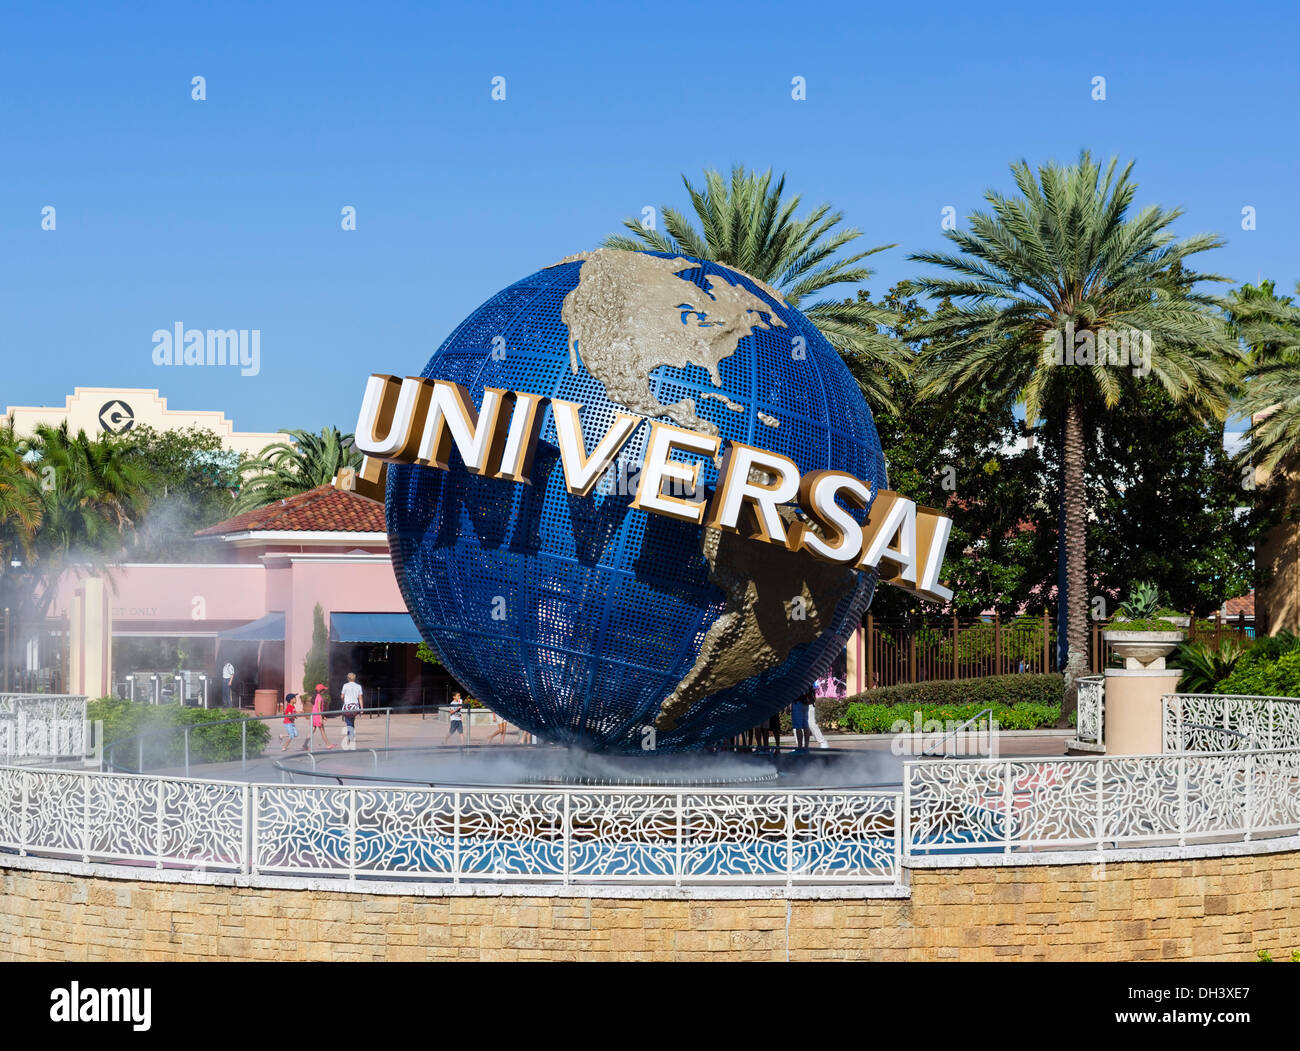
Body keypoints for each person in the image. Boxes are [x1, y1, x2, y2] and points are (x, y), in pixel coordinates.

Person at [303, 683, 335, 750]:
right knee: (322, 731)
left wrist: (323, 717)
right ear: (321, 691)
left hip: (314, 715)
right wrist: (321, 718)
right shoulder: (319, 697)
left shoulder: (316, 696)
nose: (324, 691)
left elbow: (317, 708)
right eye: (323, 690)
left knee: (312, 731)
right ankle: (328, 744)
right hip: (317, 716)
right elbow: (319, 708)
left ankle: (305, 744)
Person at [340, 673, 363, 750]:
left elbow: (342, 696)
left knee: (349, 722)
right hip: (355, 707)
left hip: (347, 706)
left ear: (348, 678)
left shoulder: (345, 686)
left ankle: (350, 737)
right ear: (354, 678)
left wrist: (344, 701)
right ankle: (351, 735)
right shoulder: (358, 686)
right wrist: (362, 708)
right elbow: (360, 698)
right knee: (351, 721)